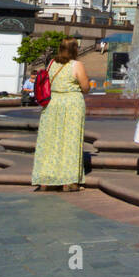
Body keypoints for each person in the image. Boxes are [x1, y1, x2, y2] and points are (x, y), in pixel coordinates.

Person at [31, 37, 91, 191]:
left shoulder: (51, 63)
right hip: (72, 104)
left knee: (50, 141)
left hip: (52, 104)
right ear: (74, 49)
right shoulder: (77, 65)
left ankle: (45, 179)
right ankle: (69, 181)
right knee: (70, 141)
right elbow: (85, 88)